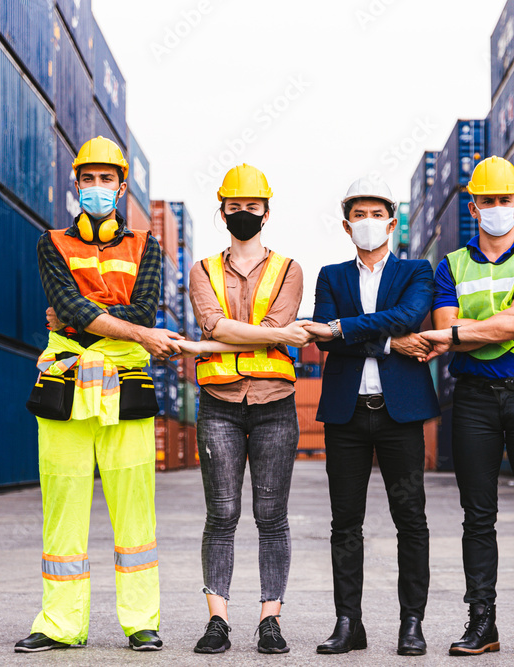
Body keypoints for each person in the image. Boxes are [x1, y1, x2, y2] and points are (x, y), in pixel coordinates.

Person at [16, 136, 183, 653]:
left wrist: (82, 315)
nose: (95, 188)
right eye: (87, 179)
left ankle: (141, 622)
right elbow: (65, 302)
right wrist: (103, 316)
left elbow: (145, 310)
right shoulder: (51, 243)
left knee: (135, 510)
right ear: (76, 184)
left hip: (124, 389)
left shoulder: (146, 246)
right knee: (61, 505)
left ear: (121, 186)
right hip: (66, 390)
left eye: (104, 179)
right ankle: (60, 624)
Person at [421, 156, 514, 657]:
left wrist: (471, 331)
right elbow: (460, 334)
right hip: (473, 402)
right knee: (477, 517)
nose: (496, 208)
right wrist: (511, 324)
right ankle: (481, 623)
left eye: (504, 200)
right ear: (473, 206)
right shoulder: (451, 265)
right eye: (487, 200)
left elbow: (462, 331)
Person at [302, 176, 440, 657]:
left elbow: (408, 318)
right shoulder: (331, 276)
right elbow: (321, 337)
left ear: (392, 221)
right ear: (346, 225)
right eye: (358, 215)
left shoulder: (417, 272)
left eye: (375, 214)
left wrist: (345, 328)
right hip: (346, 415)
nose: (368, 222)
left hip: (400, 414)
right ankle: (348, 623)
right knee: (345, 523)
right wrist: (379, 340)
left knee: (411, 520)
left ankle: (412, 623)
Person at [180, 164, 311, 655]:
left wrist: (229, 337)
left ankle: (270, 621)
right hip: (219, 405)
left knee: (271, 514)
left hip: (275, 404)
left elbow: (229, 332)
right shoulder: (203, 270)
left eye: (250, 208)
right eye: (234, 208)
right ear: (222, 212)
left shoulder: (289, 269)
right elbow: (215, 327)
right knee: (222, 514)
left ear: (266, 212)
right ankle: (218, 622)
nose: (243, 214)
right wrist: (277, 337)